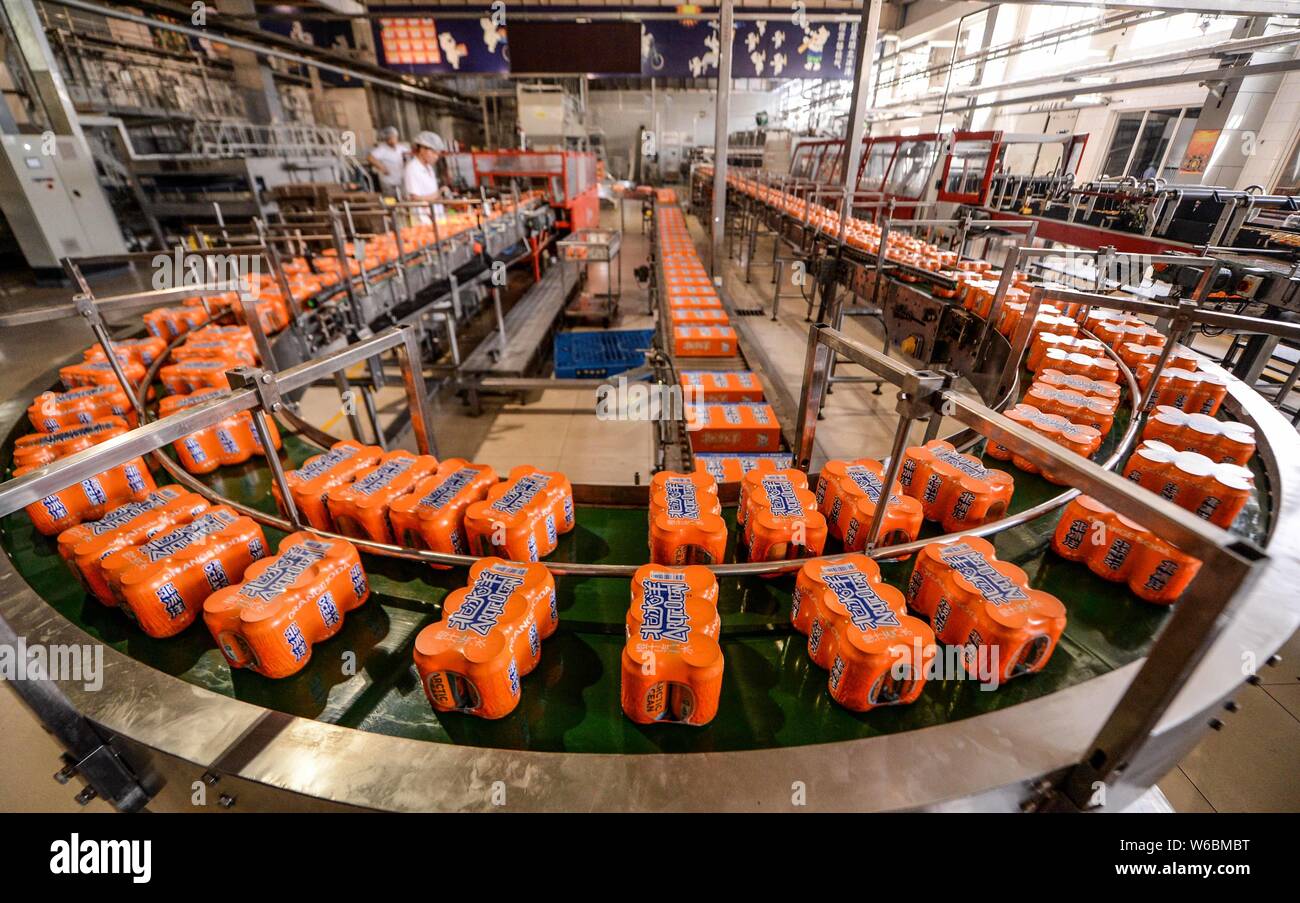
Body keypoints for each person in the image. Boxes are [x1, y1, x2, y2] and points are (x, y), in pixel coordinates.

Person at [404, 131, 448, 222]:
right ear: (422, 149)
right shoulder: (412, 168)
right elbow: (415, 198)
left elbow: (431, 193)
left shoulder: (429, 168)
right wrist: (439, 193)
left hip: (435, 215)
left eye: (437, 154)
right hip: (423, 219)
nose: (436, 157)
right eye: (434, 153)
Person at [367, 126, 408, 197]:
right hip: (388, 182)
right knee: (390, 202)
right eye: (389, 138)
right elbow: (370, 158)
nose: (392, 140)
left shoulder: (402, 148)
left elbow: (408, 157)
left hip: (401, 180)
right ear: (386, 139)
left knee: (404, 199)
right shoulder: (382, 149)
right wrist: (382, 167)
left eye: (394, 137)